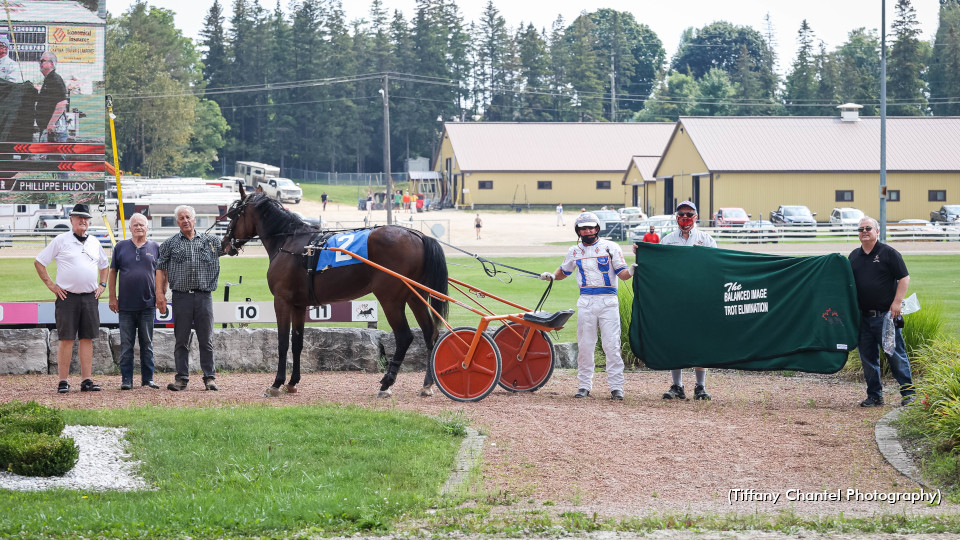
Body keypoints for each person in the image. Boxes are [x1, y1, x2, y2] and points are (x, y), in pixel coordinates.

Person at [540, 212, 636, 401]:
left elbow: (622, 274)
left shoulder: (610, 247)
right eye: (583, 228)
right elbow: (564, 271)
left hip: (608, 301)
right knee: (585, 346)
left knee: (611, 345)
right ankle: (584, 386)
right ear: (578, 231)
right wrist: (551, 276)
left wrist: (632, 270)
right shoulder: (574, 251)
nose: (588, 231)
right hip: (586, 301)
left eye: (591, 227)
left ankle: (616, 387)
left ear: (597, 228)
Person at [34, 204, 109, 394]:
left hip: (90, 297)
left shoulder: (94, 242)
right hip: (67, 297)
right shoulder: (61, 240)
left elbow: (104, 265)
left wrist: (102, 284)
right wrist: (52, 286)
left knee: (87, 338)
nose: (83, 221)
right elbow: (40, 262)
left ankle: (86, 380)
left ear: (89, 221)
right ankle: (63, 381)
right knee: (66, 338)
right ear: (71, 220)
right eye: (79, 218)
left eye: (86, 218)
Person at [155, 205, 225, 392]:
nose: (185, 220)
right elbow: (160, 270)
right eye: (181, 218)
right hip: (181, 297)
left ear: (194, 219)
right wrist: (160, 295)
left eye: (188, 217)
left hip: (204, 296)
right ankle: (181, 378)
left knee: (206, 339)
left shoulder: (212, 241)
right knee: (181, 340)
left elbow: (230, 248)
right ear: (177, 222)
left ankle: (210, 378)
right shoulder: (169, 244)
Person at [849, 217, 915, 408]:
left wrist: (897, 302)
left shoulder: (889, 253)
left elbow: (904, 278)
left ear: (877, 231)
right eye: (860, 229)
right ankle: (875, 396)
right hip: (863, 318)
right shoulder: (854, 256)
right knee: (868, 359)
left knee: (896, 356)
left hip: (886, 317)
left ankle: (909, 393)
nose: (864, 231)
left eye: (868, 228)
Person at [657, 201, 717, 400]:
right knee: (675, 340)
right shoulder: (667, 241)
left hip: (699, 296)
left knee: (700, 341)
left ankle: (700, 386)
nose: (685, 217)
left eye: (689, 214)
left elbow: (715, 266)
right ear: (676, 217)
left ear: (695, 217)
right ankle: (677, 386)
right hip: (675, 297)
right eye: (681, 214)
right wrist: (642, 253)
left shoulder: (706, 240)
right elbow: (659, 266)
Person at [108, 213, 161, 390]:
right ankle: (126, 380)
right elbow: (113, 272)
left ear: (147, 227)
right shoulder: (120, 247)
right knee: (126, 345)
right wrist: (112, 297)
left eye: (142, 224)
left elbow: (161, 274)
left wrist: (160, 294)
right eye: (135, 225)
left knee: (147, 344)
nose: (138, 227)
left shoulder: (155, 247)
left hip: (148, 305)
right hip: (125, 306)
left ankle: (148, 379)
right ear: (130, 228)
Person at [35, 51, 68, 143]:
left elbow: (62, 103)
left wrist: (51, 123)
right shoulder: (48, 80)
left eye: (43, 61)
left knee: (55, 152)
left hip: (54, 130)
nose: (40, 64)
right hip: (47, 128)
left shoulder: (55, 79)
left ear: (51, 64)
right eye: (40, 61)